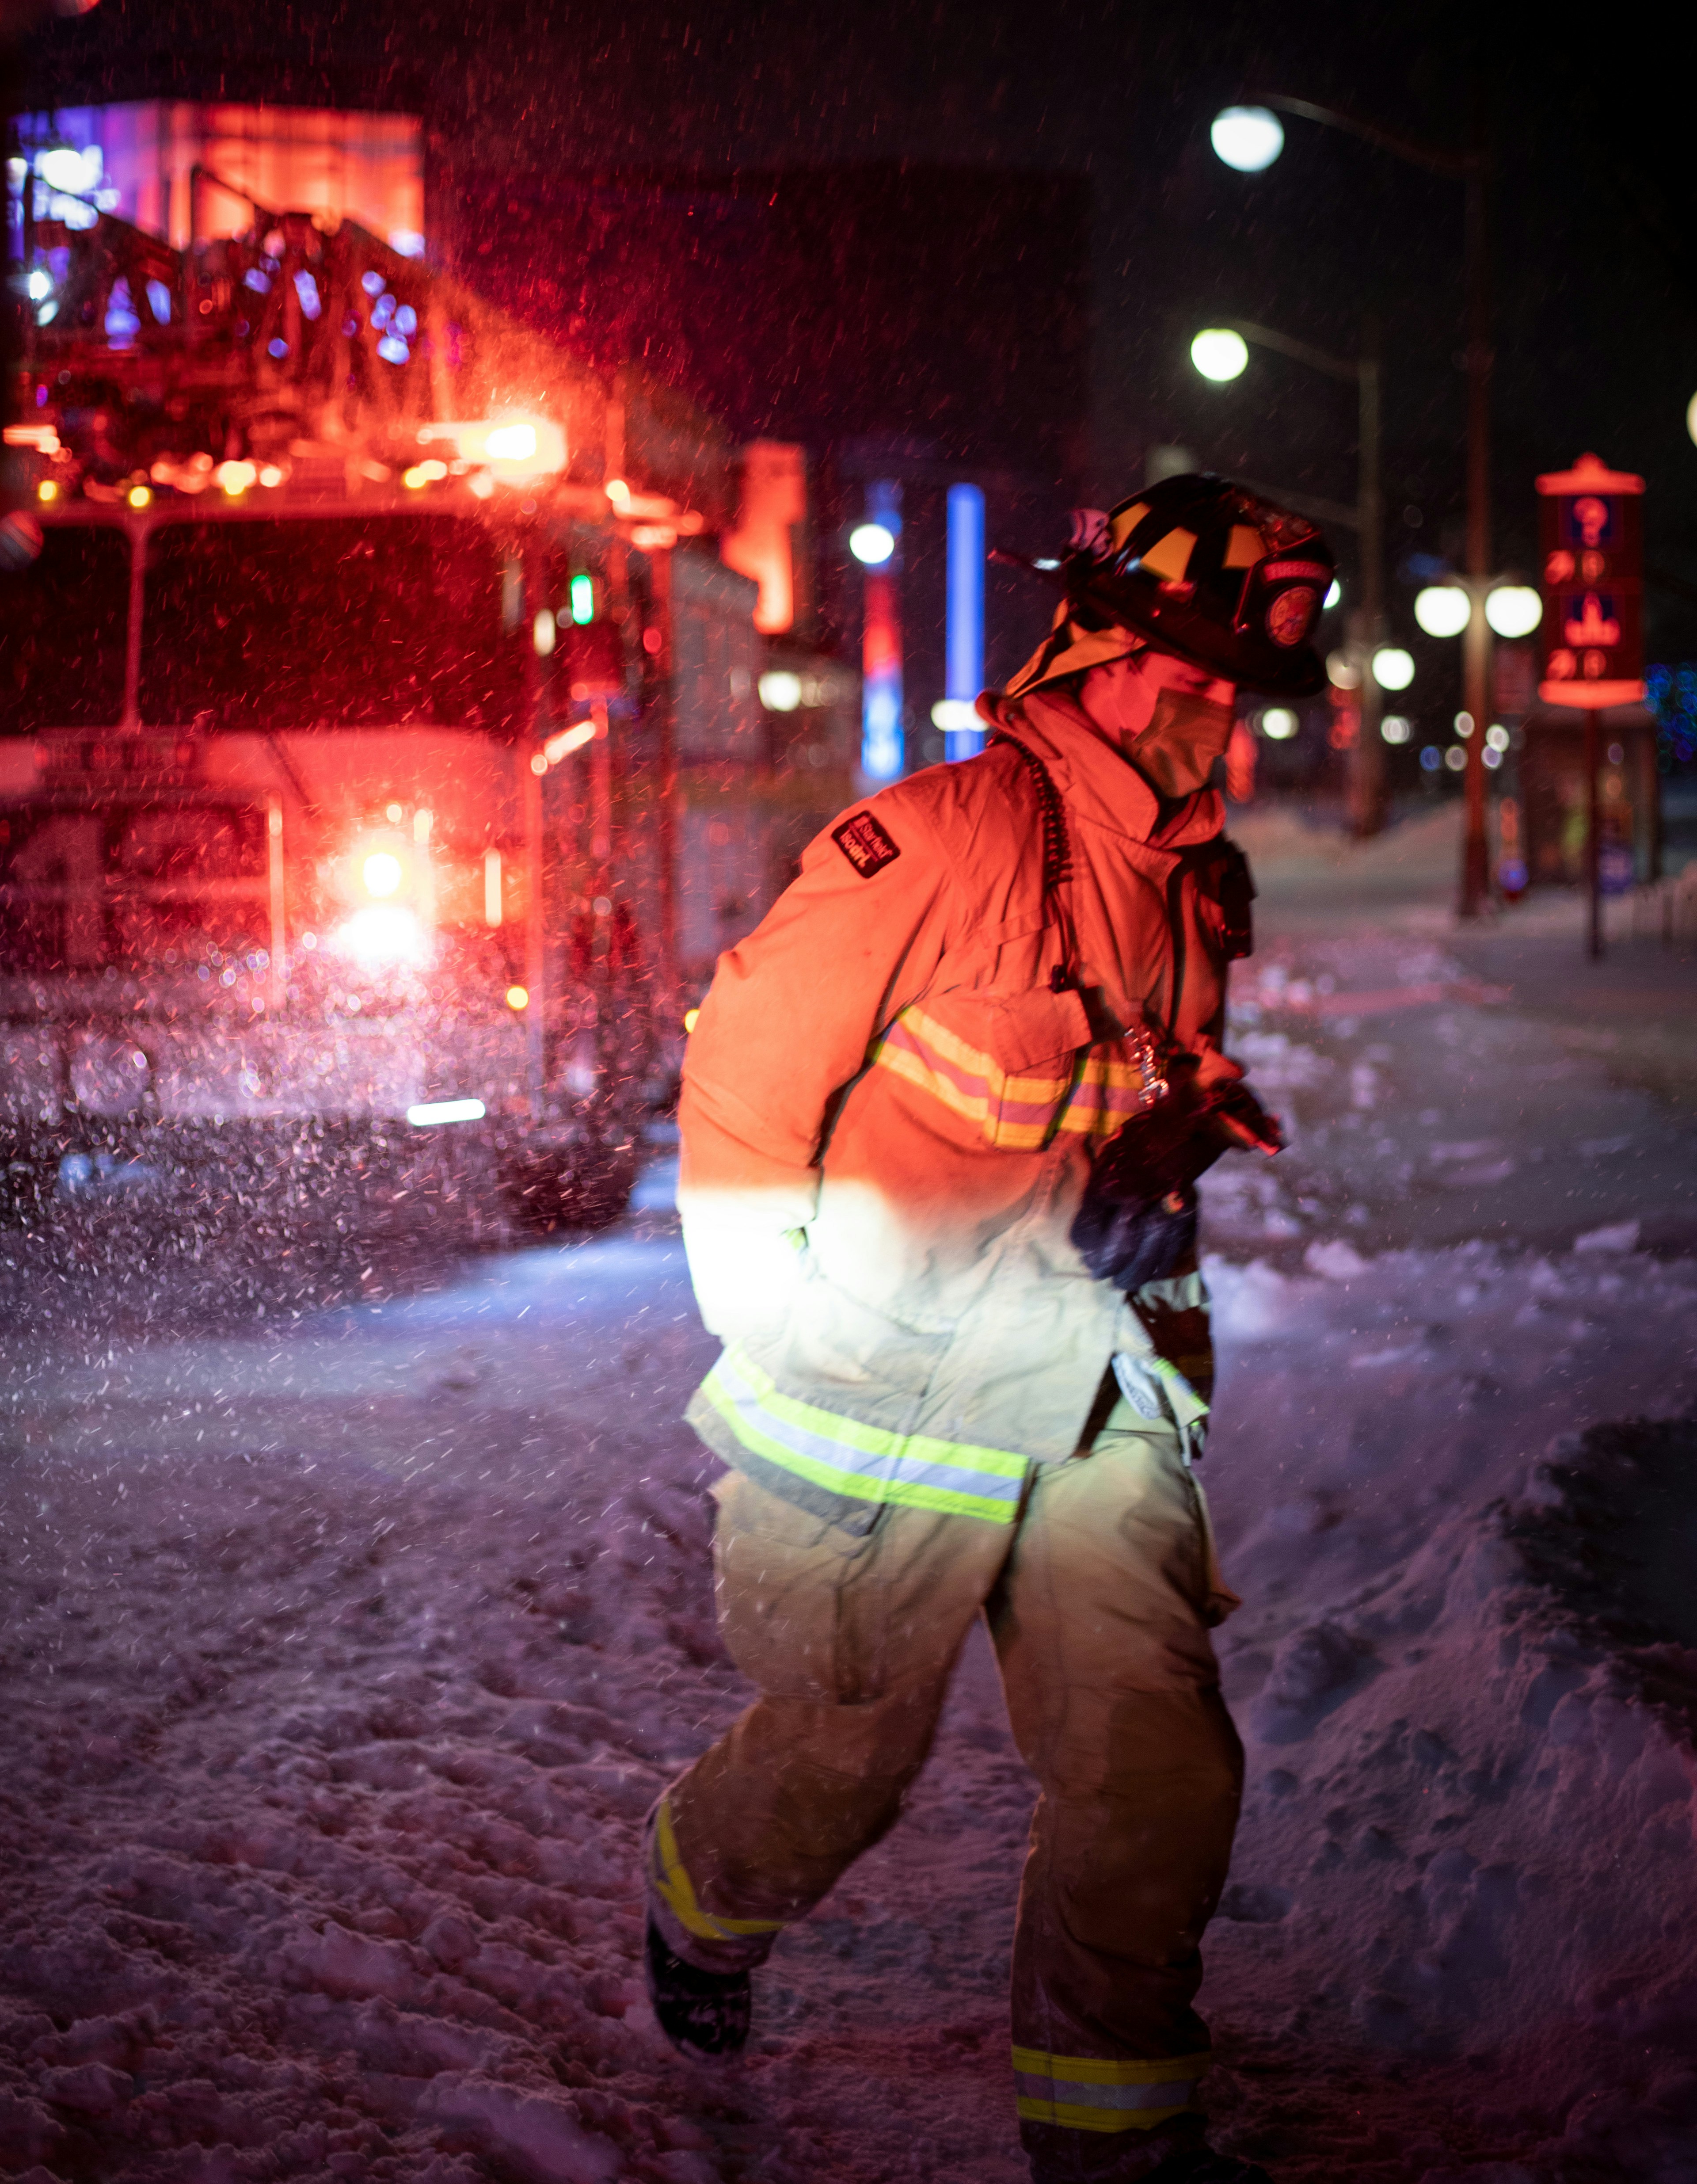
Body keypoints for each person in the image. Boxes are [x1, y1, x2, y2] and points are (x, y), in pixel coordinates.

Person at [649, 473, 1334, 2184]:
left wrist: (1178, 1126)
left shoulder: (1189, 878)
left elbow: (1102, 1096)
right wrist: (782, 1329)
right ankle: (697, 1905)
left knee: (1157, 1776)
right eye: (1190, 684)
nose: (1217, 722)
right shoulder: (941, 840)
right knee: (839, 1762)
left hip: (1096, 1393)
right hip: (884, 1410)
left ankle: (1117, 2146)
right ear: (1102, 658)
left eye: (1231, 694)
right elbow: (741, 1075)